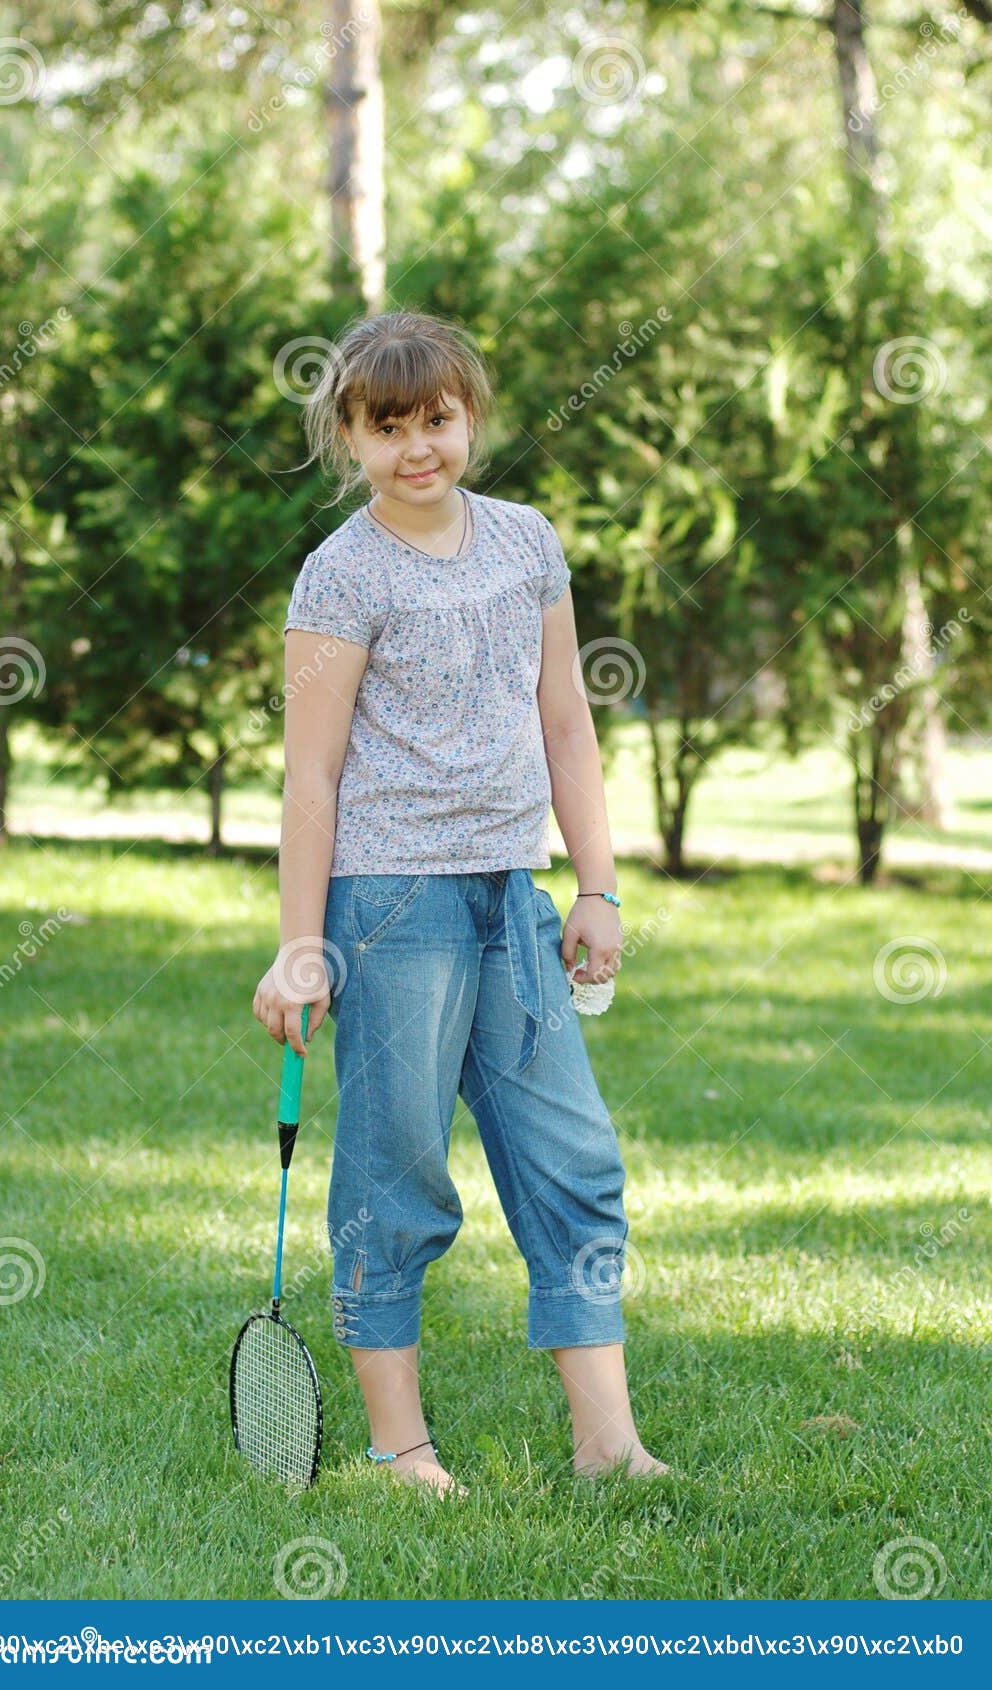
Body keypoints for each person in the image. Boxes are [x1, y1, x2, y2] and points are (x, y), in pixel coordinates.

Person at [253, 308, 668, 1498]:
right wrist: (299, 946)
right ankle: (400, 1449)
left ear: (469, 416)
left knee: (573, 1157)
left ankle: (608, 1443)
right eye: (388, 427)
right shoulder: (339, 575)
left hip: (515, 899)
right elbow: (311, 776)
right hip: (391, 905)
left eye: (436, 419)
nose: (417, 446)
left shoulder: (527, 542)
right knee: (396, 1174)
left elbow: (565, 724)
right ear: (350, 434)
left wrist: (593, 885)